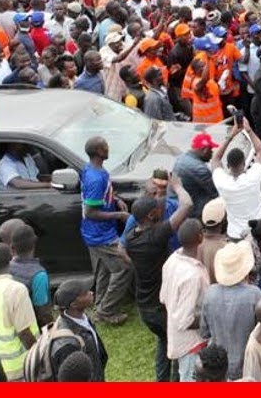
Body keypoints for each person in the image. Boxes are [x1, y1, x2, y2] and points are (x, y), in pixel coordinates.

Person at [125, 174, 194, 382]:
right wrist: (177, 187)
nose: (160, 209)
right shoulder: (157, 235)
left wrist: (162, 191)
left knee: (164, 343)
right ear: (151, 216)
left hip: (145, 307)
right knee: (176, 346)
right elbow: (187, 205)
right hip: (160, 308)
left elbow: (159, 212)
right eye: (156, 209)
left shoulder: (132, 237)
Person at [80, 136, 133, 325]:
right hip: (100, 235)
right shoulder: (95, 177)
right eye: (105, 146)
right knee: (124, 267)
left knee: (104, 270)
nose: (108, 147)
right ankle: (106, 311)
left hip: (95, 232)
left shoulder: (93, 169)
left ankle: (101, 301)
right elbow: (91, 212)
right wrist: (119, 216)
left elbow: (98, 196)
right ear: (99, 152)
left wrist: (115, 198)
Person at [200, 241, 261, 381]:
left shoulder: (210, 293)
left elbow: (204, 332)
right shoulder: (254, 294)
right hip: (247, 366)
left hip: (219, 368)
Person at [160, 219, 211, 382]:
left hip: (179, 337)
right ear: (200, 236)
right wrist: (212, 318)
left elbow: (163, 297)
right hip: (192, 344)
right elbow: (185, 320)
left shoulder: (172, 261)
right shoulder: (193, 276)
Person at [209, 120, 261, 241]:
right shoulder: (253, 177)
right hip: (255, 232)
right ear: (245, 163)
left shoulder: (222, 182)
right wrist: (249, 130)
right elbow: (260, 150)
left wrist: (231, 135)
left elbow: (215, 159)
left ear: (228, 166)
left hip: (234, 235)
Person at [44, 278, 109, 381]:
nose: (91, 293)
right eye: (85, 293)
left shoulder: (83, 318)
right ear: (73, 304)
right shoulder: (67, 345)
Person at [0, 242, 38, 381]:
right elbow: (24, 332)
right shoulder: (16, 290)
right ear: (11, 257)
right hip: (17, 367)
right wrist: (38, 355)